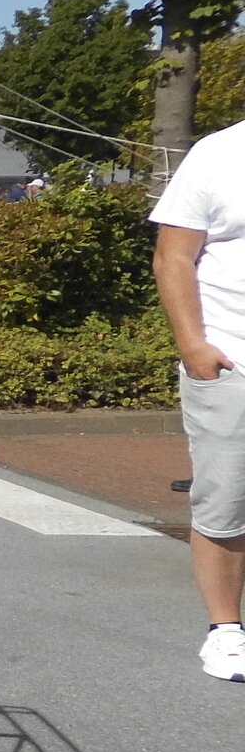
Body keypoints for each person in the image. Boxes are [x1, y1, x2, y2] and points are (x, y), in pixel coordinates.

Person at [153, 118, 245, 681]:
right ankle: (226, 630)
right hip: (234, 358)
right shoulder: (219, 154)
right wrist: (194, 347)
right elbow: (174, 257)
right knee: (226, 500)